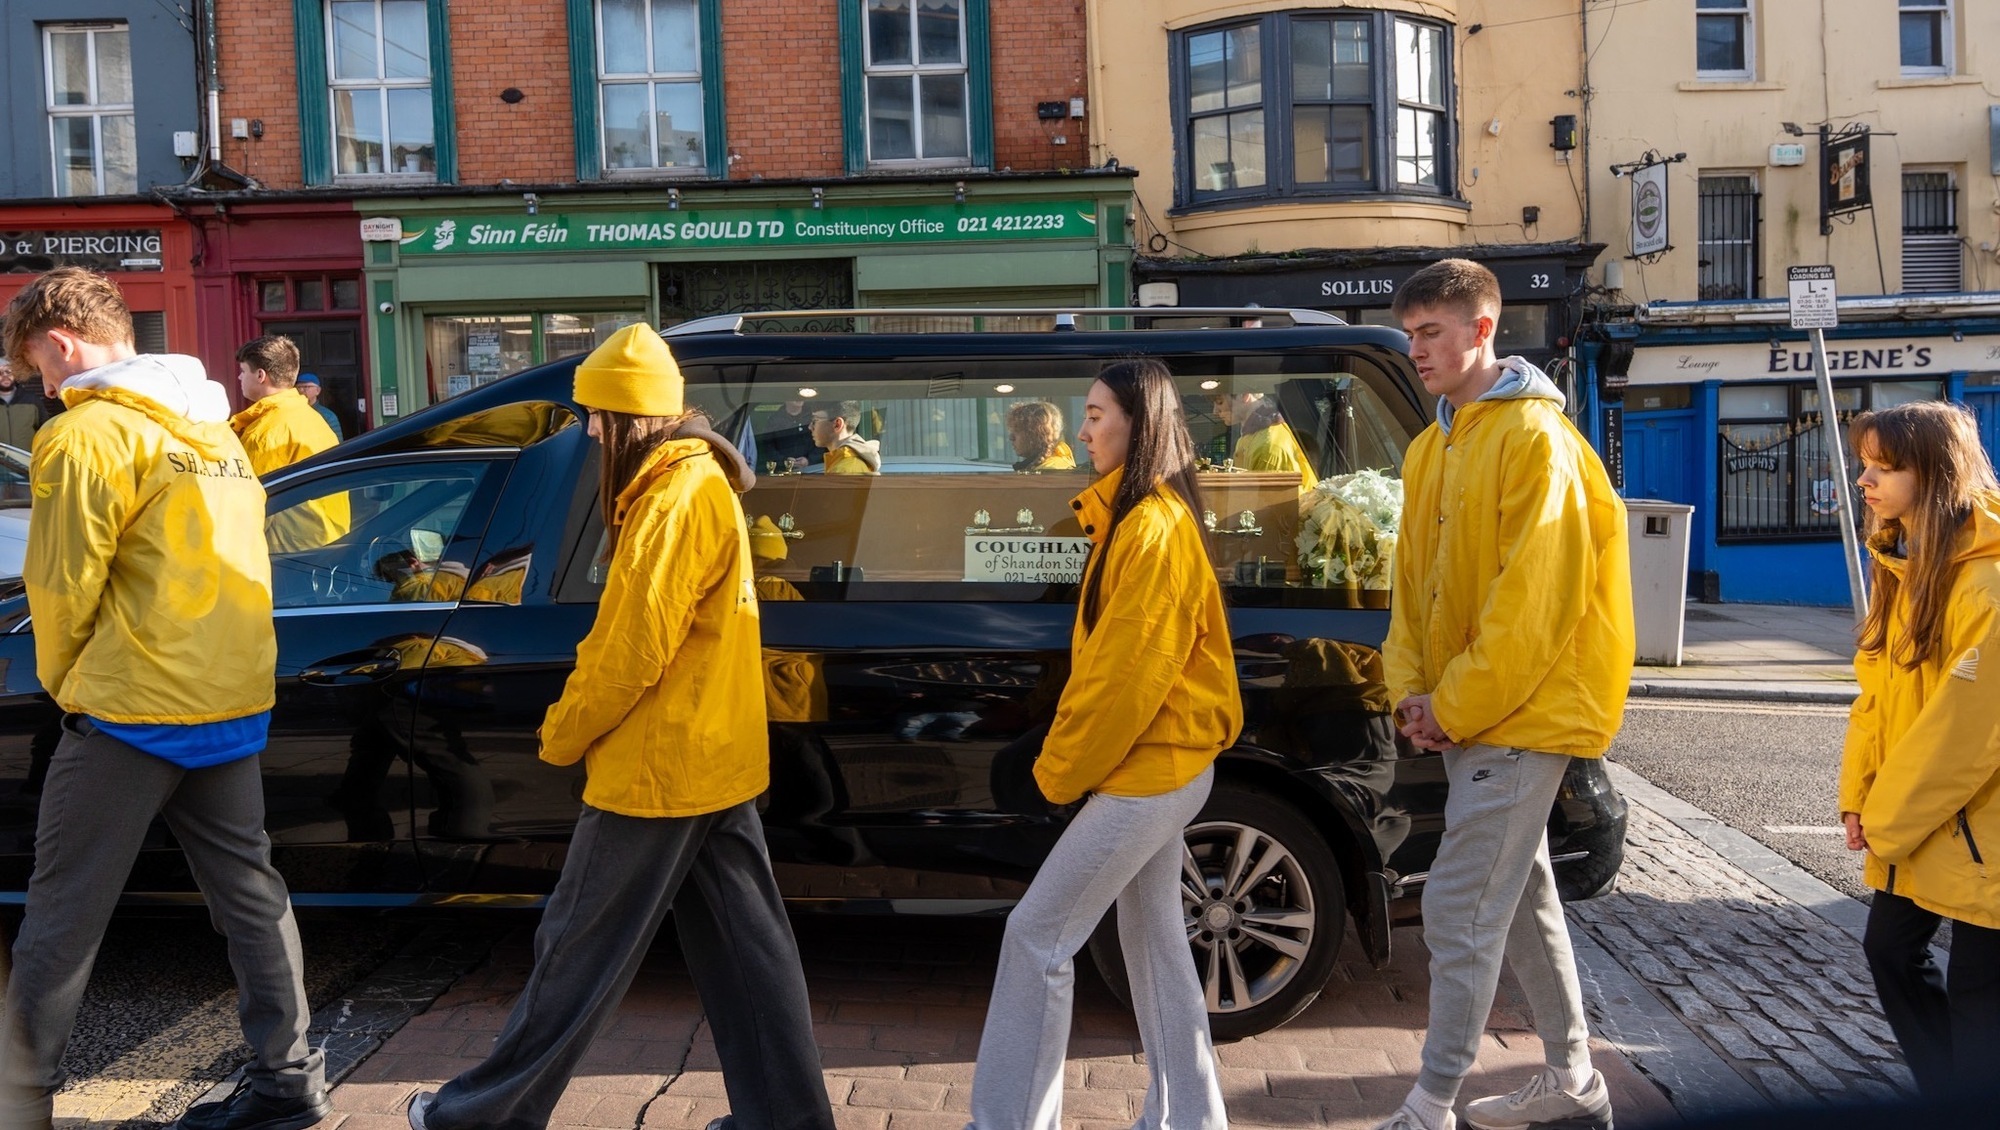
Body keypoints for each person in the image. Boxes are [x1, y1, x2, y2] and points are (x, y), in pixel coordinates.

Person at [406, 323, 834, 1130]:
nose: (592, 431)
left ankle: (481, 1117)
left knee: (575, 951)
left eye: (599, 416)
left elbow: (630, 648)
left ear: (633, 419)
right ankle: (787, 1121)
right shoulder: (695, 483)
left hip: (658, 768)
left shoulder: (670, 498)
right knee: (750, 956)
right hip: (711, 757)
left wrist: (563, 732)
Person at [0, 266, 328, 1130]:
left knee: (63, 914)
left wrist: (70, 688)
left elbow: (62, 587)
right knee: (252, 896)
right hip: (228, 697)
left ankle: (19, 1102)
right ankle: (289, 1087)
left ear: (63, 344)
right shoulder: (214, 430)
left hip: (133, 707)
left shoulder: (86, 434)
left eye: (37, 366)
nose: (43, 384)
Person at [1378, 259, 1633, 1130]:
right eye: (1410, 334)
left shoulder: (1536, 440)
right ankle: (1574, 1083)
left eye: (1432, 332)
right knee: (1523, 903)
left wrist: (1449, 703)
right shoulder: (1430, 446)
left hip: (1528, 714)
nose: (1417, 349)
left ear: (1483, 328)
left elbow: (1537, 599)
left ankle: (1431, 1103)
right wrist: (1413, 690)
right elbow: (1410, 586)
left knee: (1455, 905)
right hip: (1477, 714)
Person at [965, 358, 1235, 1130]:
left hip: (1149, 768)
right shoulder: (1139, 518)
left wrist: (1053, 775)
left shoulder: (1148, 527)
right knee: (1154, 950)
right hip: (1159, 762)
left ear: (1137, 424)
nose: (1080, 430)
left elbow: (1122, 682)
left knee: (1036, 937)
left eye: (1094, 414)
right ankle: (1191, 1119)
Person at [1840, 400, 2000, 1100]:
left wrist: (1889, 820)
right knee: (1890, 952)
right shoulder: (1902, 566)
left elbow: (1965, 732)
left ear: (1933, 473)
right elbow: (1876, 698)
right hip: (1927, 819)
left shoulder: (1986, 584)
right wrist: (1858, 794)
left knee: (1978, 990)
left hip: (1980, 827)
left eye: (1884, 467)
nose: (1865, 482)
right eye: (1863, 466)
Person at [233, 336, 339, 474]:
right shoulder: (316, 419)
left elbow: (254, 491)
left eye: (243, 371)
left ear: (260, 375)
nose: (240, 377)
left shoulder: (266, 432)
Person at [811, 401, 880, 474]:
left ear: (837, 424)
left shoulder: (843, 471)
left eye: (815, 420)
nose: (810, 427)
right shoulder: (850, 462)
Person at [1006, 400, 1076, 471]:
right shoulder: (1048, 466)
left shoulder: (1051, 471)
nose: (1011, 437)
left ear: (1036, 435)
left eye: (1017, 431)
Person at [757, 399, 817, 469]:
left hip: (812, 469)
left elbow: (823, 440)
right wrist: (784, 461)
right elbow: (768, 445)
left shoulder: (813, 417)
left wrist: (809, 460)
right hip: (782, 471)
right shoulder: (774, 419)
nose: (799, 398)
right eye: (794, 395)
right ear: (786, 399)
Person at [0, 360, 45, 450]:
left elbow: (44, 430)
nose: (5, 376)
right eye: (0, 373)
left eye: (8, 371)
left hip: (25, 459)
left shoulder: (32, 400)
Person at [293, 373, 344, 441]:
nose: (302, 390)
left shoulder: (328, 416)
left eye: (306, 387)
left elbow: (338, 443)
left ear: (318, 390)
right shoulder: (292, 413)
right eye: (299, 387)